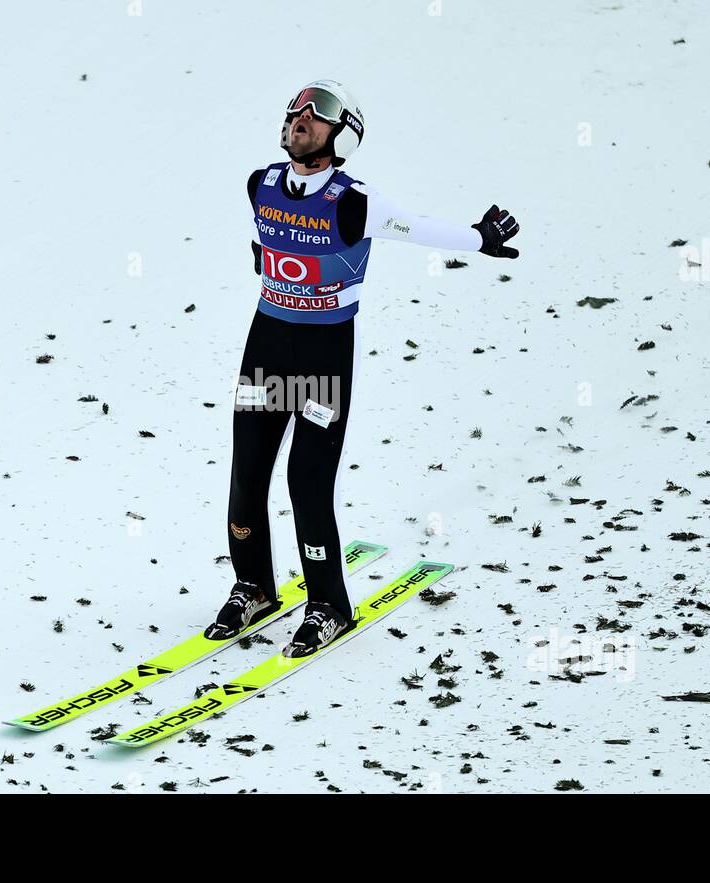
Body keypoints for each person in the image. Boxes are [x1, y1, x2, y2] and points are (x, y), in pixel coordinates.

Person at [204, 78, 521, 657]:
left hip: (323, 356)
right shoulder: (261, 184)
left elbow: (418, 227)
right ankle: (253, 586)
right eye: (297, 106)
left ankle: (329, 604)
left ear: (342, 135)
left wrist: (478, 238)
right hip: (266, 348)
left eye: (319, 111)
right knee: (247, 472)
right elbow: (267, 240)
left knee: (307, 481)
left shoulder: (352, 201)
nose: (301, 115)